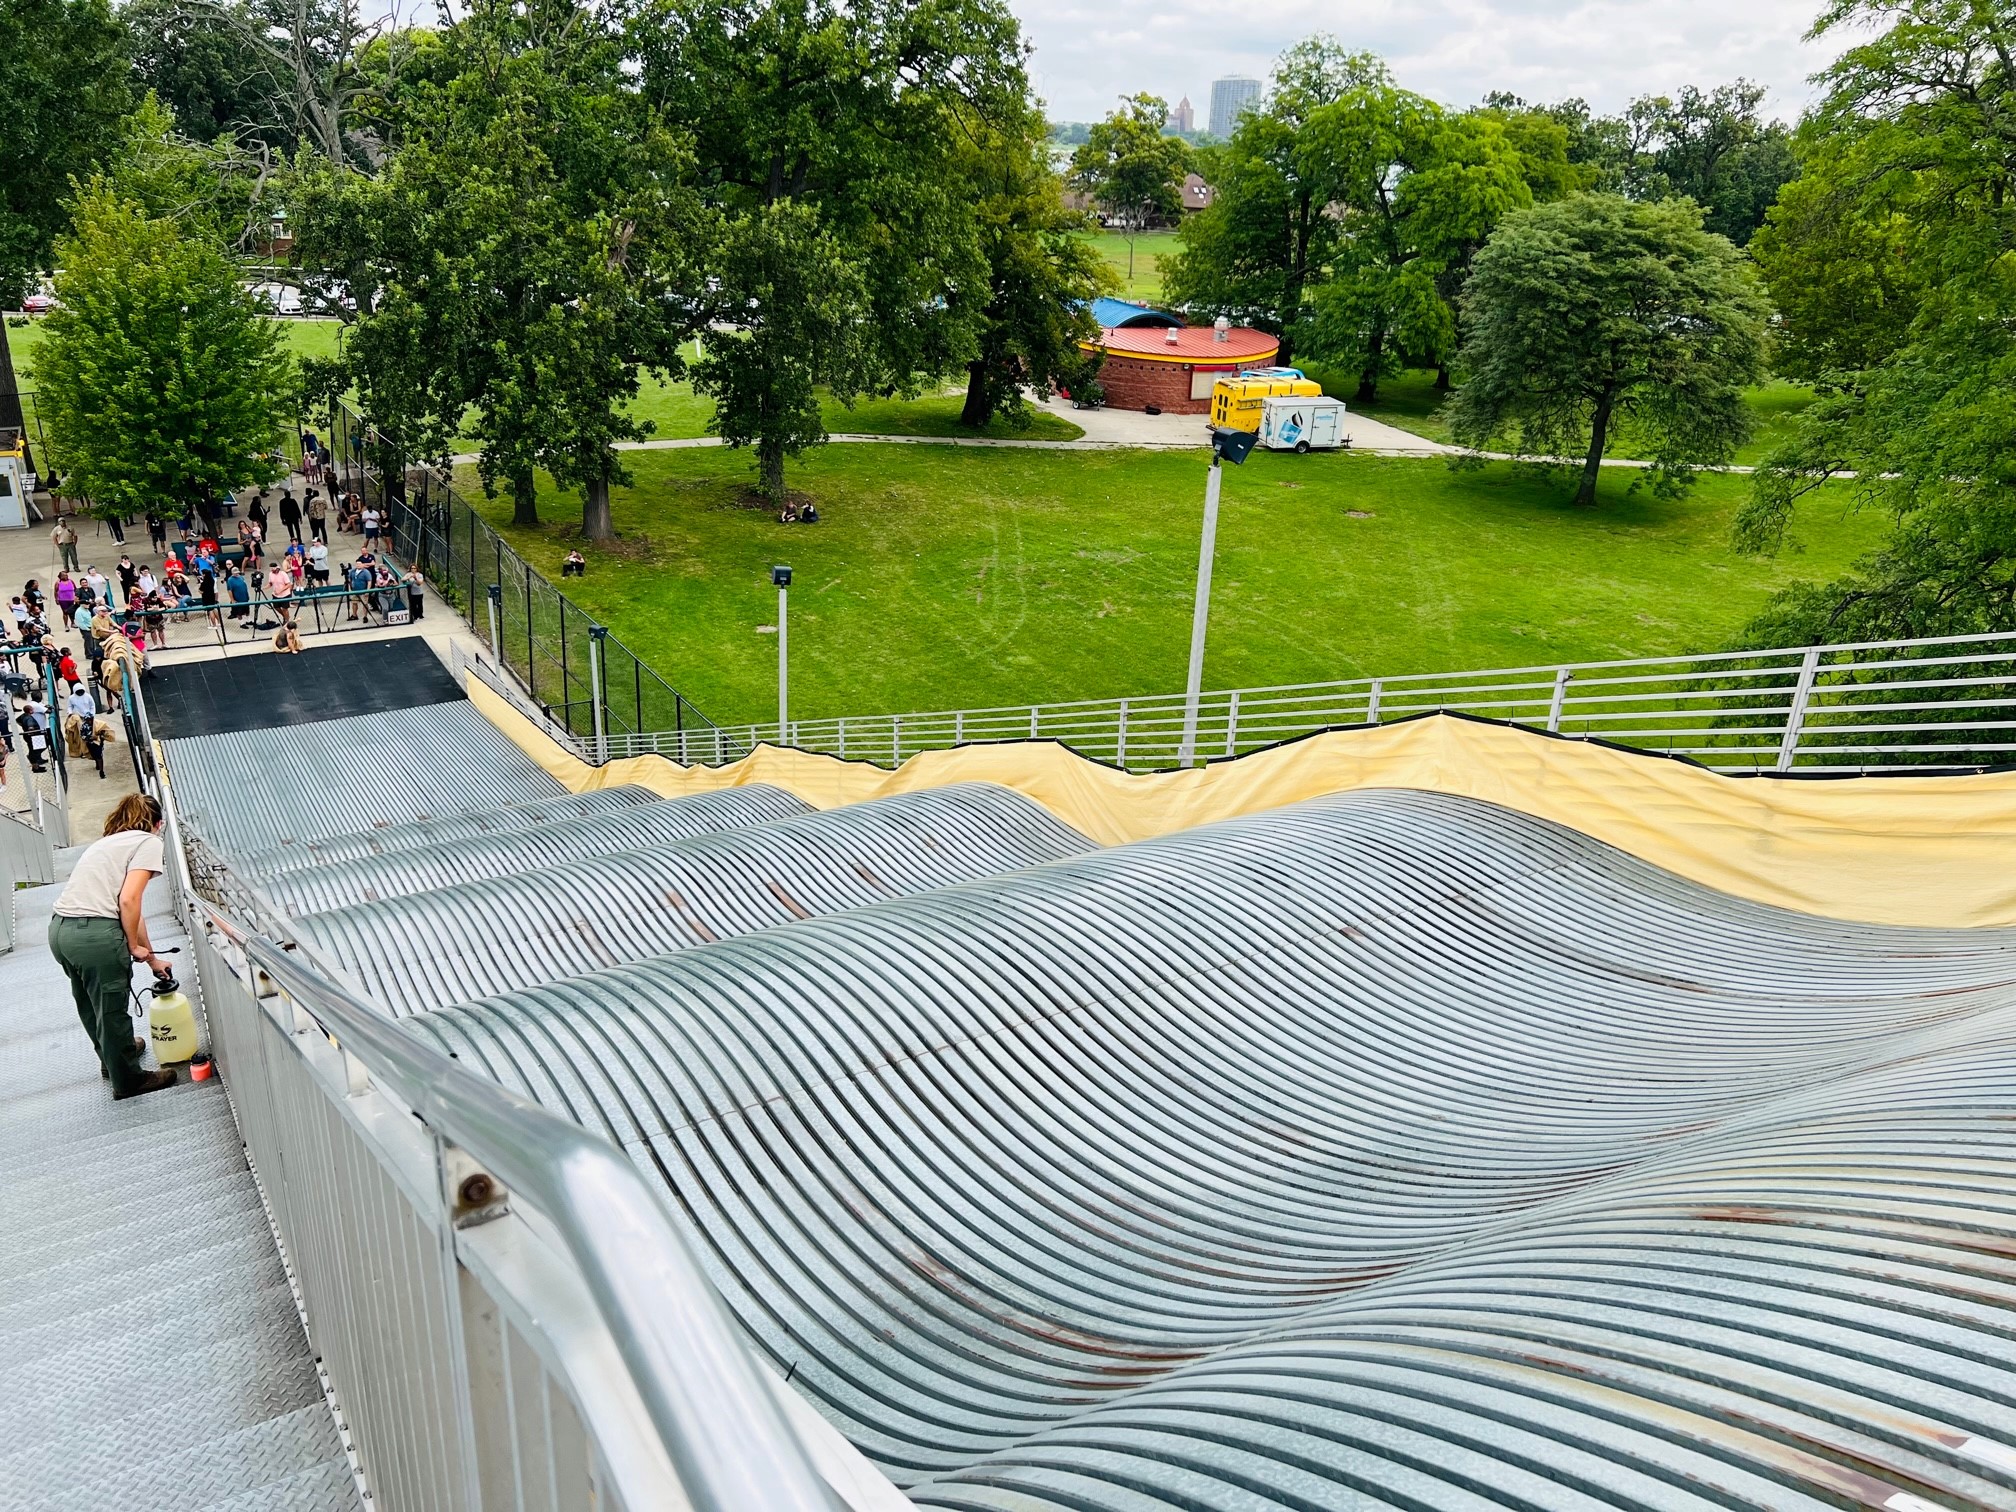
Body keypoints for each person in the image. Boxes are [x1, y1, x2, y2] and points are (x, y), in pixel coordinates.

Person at [48, 794, 179, 1100]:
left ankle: (113, 1059)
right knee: (111, 1008)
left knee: (89, 1002)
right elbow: (129, 900)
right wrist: (133, 945)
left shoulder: (105, 844)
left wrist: (152, 960)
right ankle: (129, 1080)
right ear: (157, 823)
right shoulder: (148, 842)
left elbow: (132, 910)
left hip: (61, 931)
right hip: (95, 937)